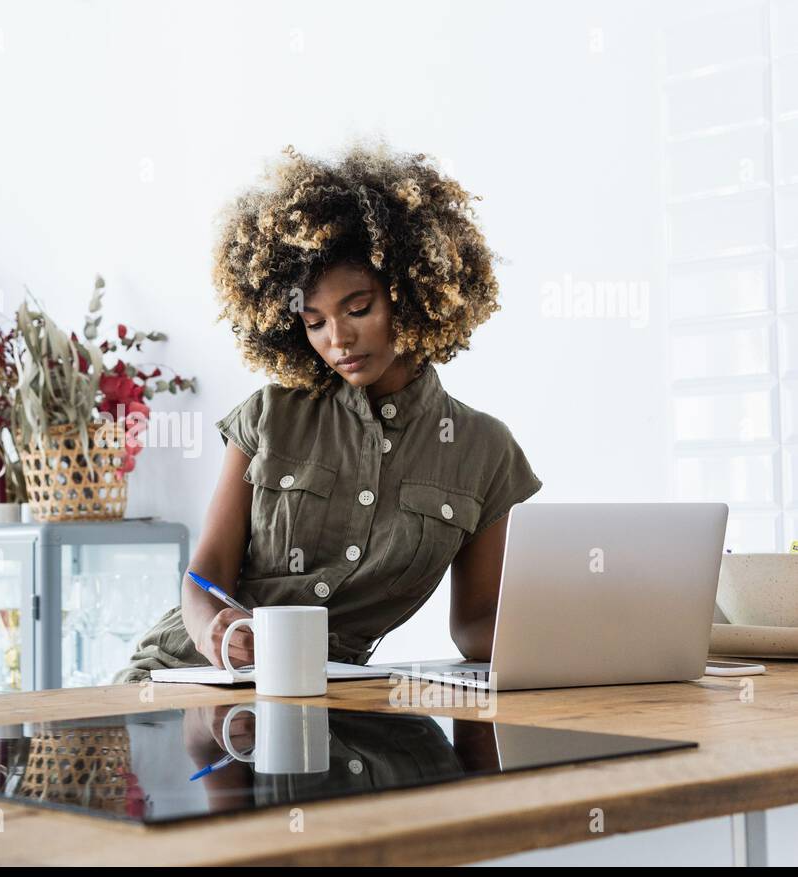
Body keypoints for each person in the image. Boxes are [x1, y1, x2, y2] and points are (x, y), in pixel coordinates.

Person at [114, 140, 542, 684]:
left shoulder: (484, 450)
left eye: (358, 308)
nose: (337, 338)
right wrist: (216, 632)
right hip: (187, 675)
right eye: (314, 321)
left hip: (330, 696)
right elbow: (205, 577)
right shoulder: (270, 416)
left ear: (411, 296)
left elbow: (477, 624)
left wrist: (582, 635)